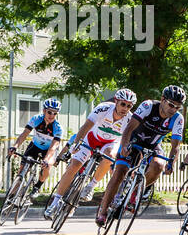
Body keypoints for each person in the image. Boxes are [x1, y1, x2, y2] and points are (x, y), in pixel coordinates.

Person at [96, 86, 186, 227]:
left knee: (159, 165)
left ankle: (136, 192)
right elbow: (129, 128)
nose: (173, 109)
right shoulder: (148, 106)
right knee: (119, 173)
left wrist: (171, 163)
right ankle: (103, 210)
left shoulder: (177, 118)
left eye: (177, 107)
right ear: (162, 100)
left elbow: (175, 146)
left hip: (153, 145)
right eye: (171, 105)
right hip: (133, 140)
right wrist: (125, 145)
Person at [43, 88, 135, 219]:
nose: (125, 108)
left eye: (129, 106)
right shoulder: (103, 108)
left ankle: (91, 186)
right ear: (116, 101)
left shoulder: (129, 119)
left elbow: (128, 139)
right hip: (92, 138)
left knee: (110, 155)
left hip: (110, 143)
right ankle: (56, 202)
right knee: (73, 166)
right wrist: (76, 144)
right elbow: (86, 126)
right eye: (123, 104)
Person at [9, 97, 64, 193]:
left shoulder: (58, 128)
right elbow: (24, 134)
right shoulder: (36, 119)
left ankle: (37, 186)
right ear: (44, 111)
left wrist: (46, 159)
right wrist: (15, 146)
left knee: (47, 165)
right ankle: (12, 195)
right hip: (35, 145)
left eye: (55, 113)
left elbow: (54, 146)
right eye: (49, 112)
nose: (52, 115)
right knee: (21, 170)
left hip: (48, 149)